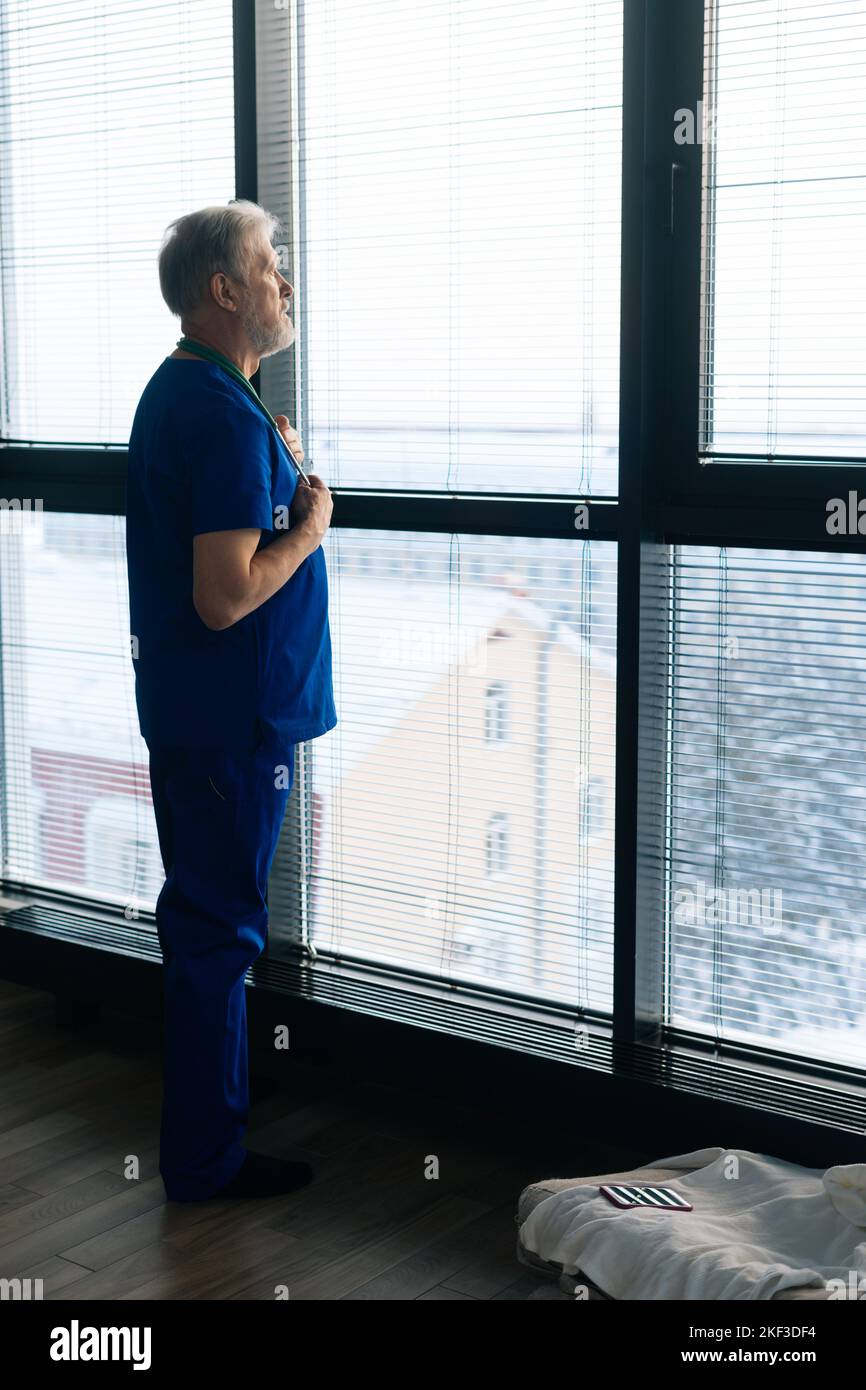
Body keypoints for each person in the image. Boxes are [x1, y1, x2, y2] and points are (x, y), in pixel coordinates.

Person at [126, 200, 336, 1202]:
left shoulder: (213, 396)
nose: (284, 282)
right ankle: (206, 1163)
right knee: (219, 935)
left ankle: (206, 1149)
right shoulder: (213, 409)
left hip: (218, 719)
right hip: (228, 726)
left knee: (212, 929)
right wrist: (310, 531)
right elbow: (222, 596)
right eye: (269, 265)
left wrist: (274, 467)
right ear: (223, 289)